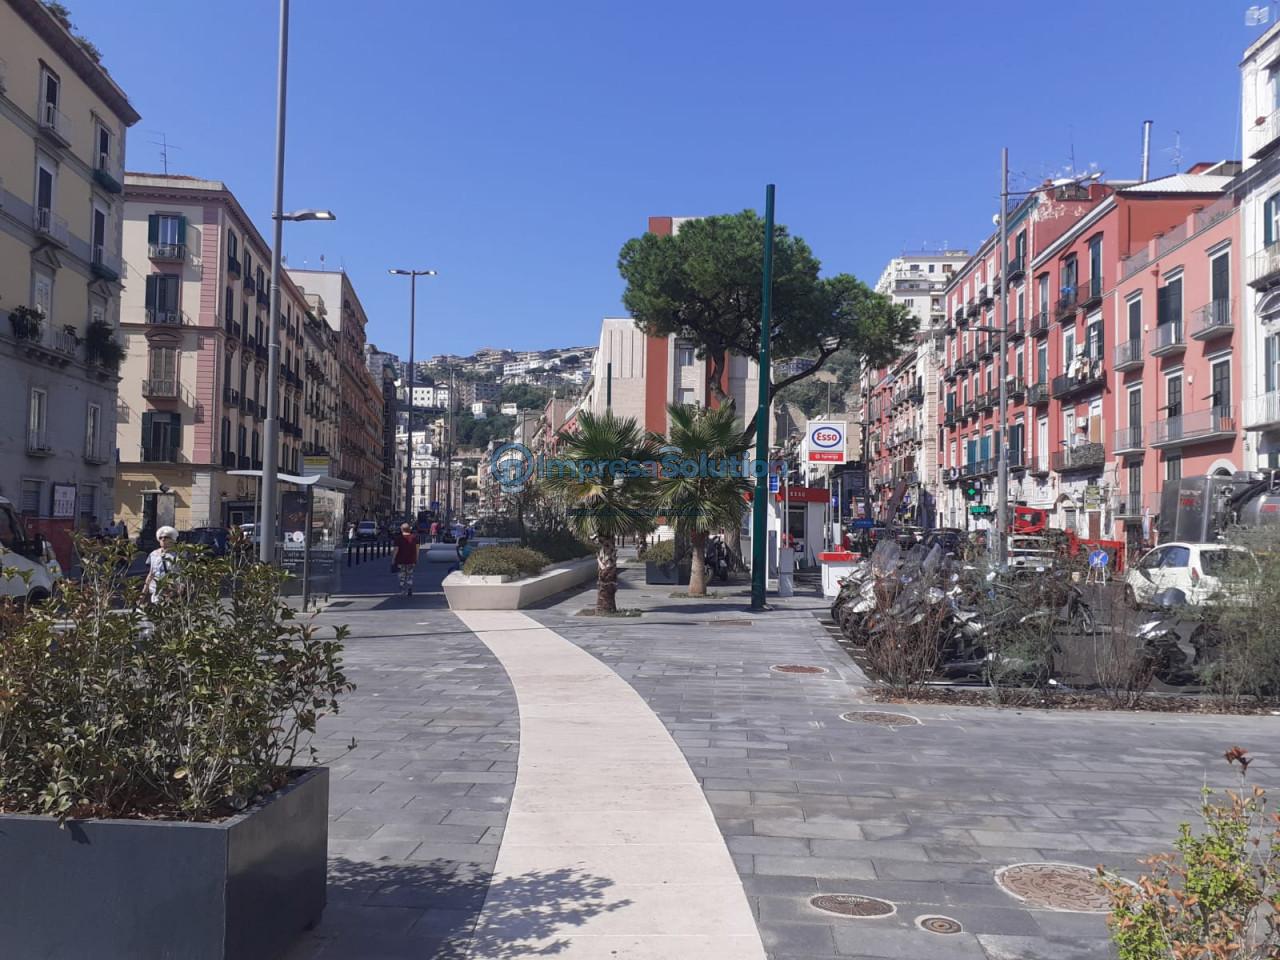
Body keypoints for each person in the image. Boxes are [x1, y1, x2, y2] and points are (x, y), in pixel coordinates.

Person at [143, 526, 179, 604]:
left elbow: (181, 574)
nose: (163, 539)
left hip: (171, 593)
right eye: (160, 537)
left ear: (173, 540)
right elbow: (151, 573)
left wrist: (177, 590)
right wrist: (143, 593)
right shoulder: (153, 554)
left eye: (166, 537)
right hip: (155, 591)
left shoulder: (178, 555)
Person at [392, 522, 419, 597]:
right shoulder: (414, 538)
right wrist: (416, 558)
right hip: (411, 560)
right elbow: (417, 550)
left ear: (401, 529)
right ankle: (409, 588)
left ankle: (402, 590)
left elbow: (396, 550)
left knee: (401, 575)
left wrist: (393, 559)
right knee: (410, 574)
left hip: (400, 560)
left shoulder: (398, 539)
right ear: (409, 530)